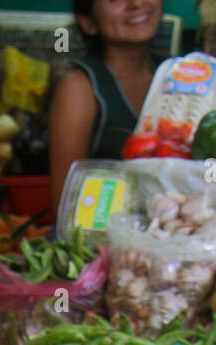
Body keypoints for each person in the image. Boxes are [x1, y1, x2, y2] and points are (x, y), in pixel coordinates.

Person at [49, 0, 164, 207]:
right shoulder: (79, 88)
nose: (136, 3)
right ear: (88, 23)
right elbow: (66, 204)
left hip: (179, 231)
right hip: (103, 234)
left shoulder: (179, 75)